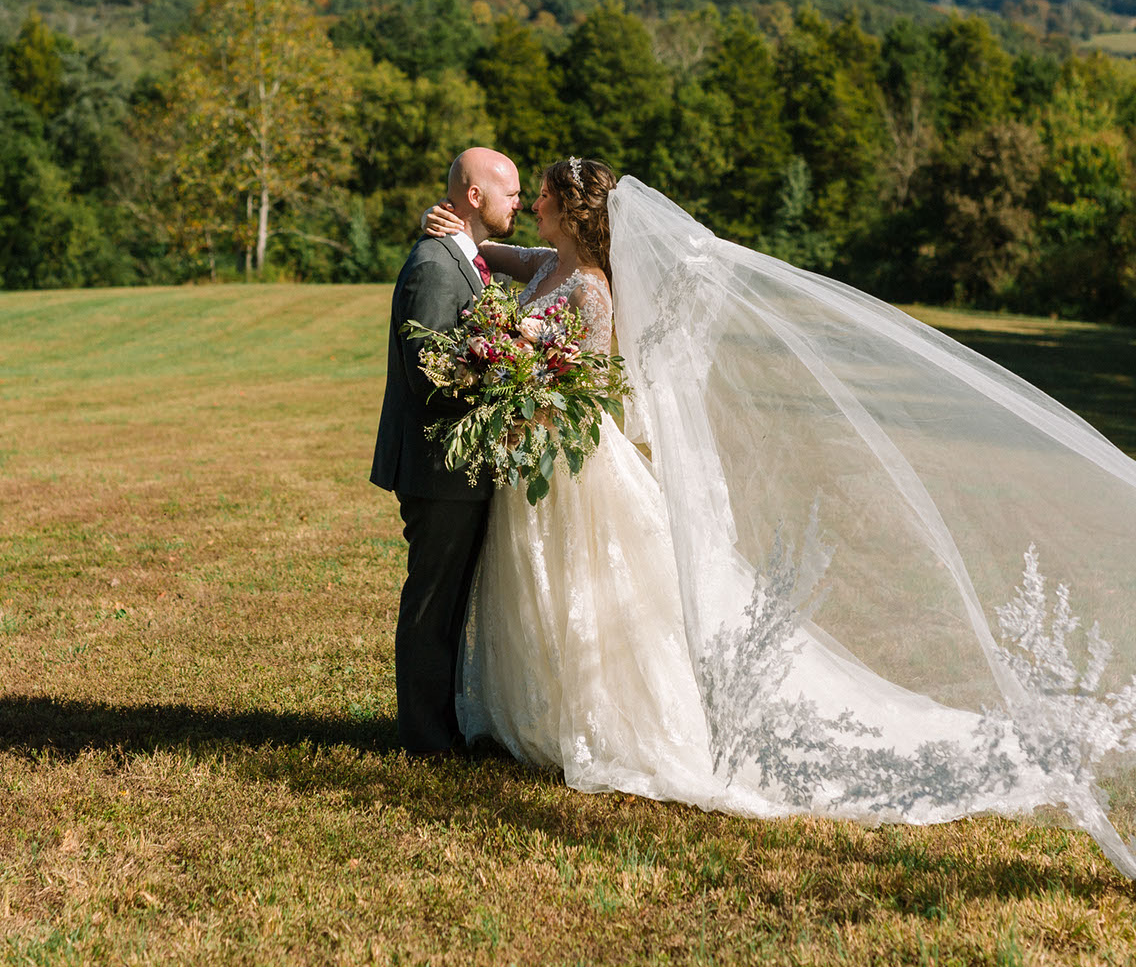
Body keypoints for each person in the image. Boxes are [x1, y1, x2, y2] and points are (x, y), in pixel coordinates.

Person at [422, 161, 1136, 879]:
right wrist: (465, 240)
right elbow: (496, 259)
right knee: (548, 585)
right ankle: (545, 714)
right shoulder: (548, 263)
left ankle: (613, 719)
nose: (534, 202)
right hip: (540, 455)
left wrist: (520, 370)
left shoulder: (590, 288)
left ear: (572, 212)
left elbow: (583, 374)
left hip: (576, 457)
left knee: (603, 588)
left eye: (542, 194)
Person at [370, 147, 521, 758]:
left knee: (453, 600)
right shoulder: (436, 265)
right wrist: (509, 378)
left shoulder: (468, 257)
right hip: (441, 468)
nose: (518, 202)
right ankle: (426, 740)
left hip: (462, 468)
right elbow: (430, 374)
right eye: (508, 191)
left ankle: (446, 724)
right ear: (474, 195)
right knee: (434, 604)